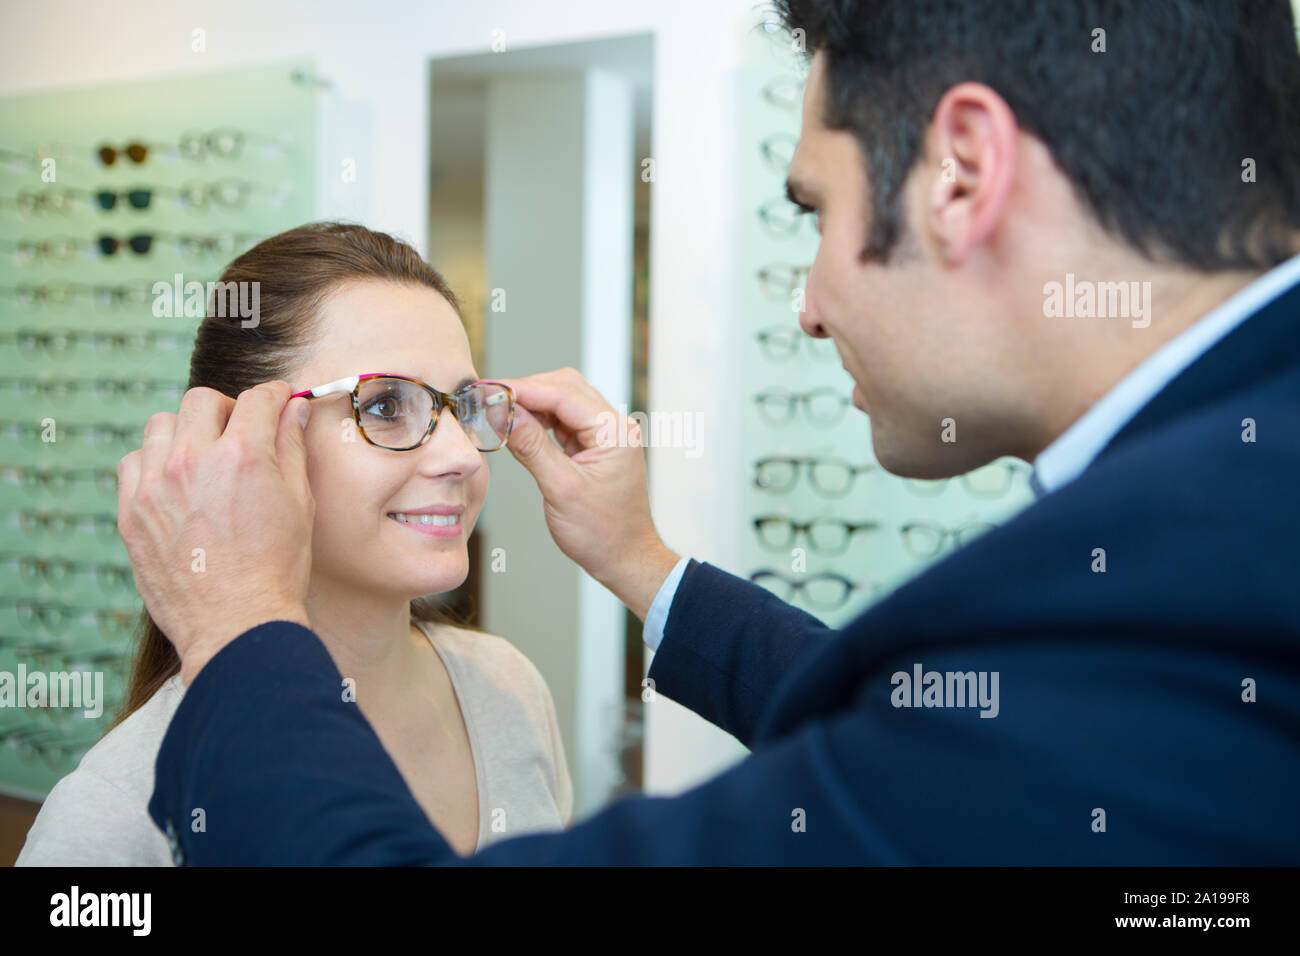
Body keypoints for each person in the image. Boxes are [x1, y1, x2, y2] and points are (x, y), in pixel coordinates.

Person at [121, 0, 1300, 864]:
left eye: (819, 211)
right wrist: (642, 560)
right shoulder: (1222, 525)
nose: (809, 301)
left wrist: (234, 627)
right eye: (386, 405)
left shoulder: (1165, 597)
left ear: (962, 175)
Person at [17, 223, 572, 865]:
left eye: (462, 405)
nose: (461, 456)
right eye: (386, 405)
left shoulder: (506, 686)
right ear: (243, 445)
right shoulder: (115, 813)